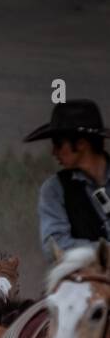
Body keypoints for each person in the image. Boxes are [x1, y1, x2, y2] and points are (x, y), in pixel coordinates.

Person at [24, 98, 110, 262]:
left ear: (82, 144)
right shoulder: (55, 189)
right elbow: (55, 246)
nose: (54, 152)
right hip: (82, 277)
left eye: (58, 144)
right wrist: (103, 252)